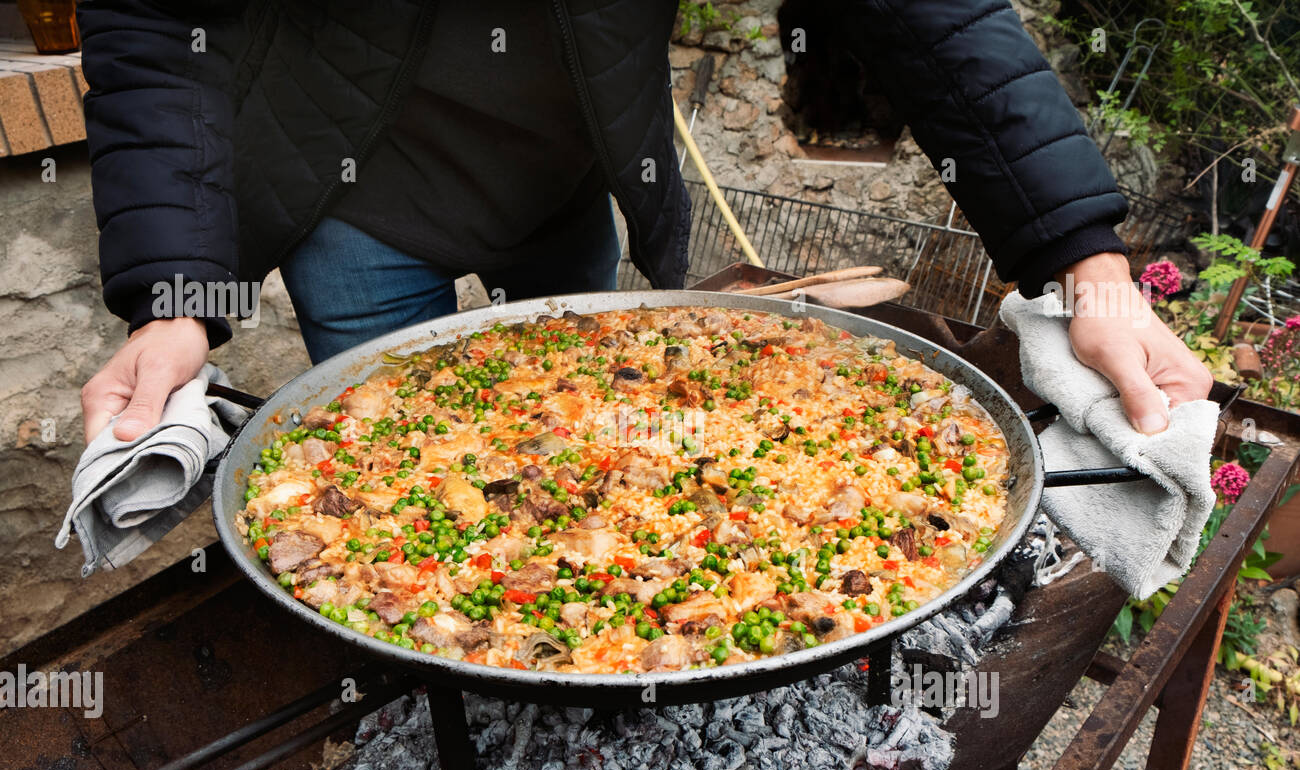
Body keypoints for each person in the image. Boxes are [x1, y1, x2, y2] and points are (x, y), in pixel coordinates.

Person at [77, 0, 1211, 445]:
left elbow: (931, 12)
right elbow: (155, 21)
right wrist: (180, 295)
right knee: (400, 453)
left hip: (567, 186)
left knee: (589, 441)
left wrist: (1083, 263)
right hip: (355, 207)